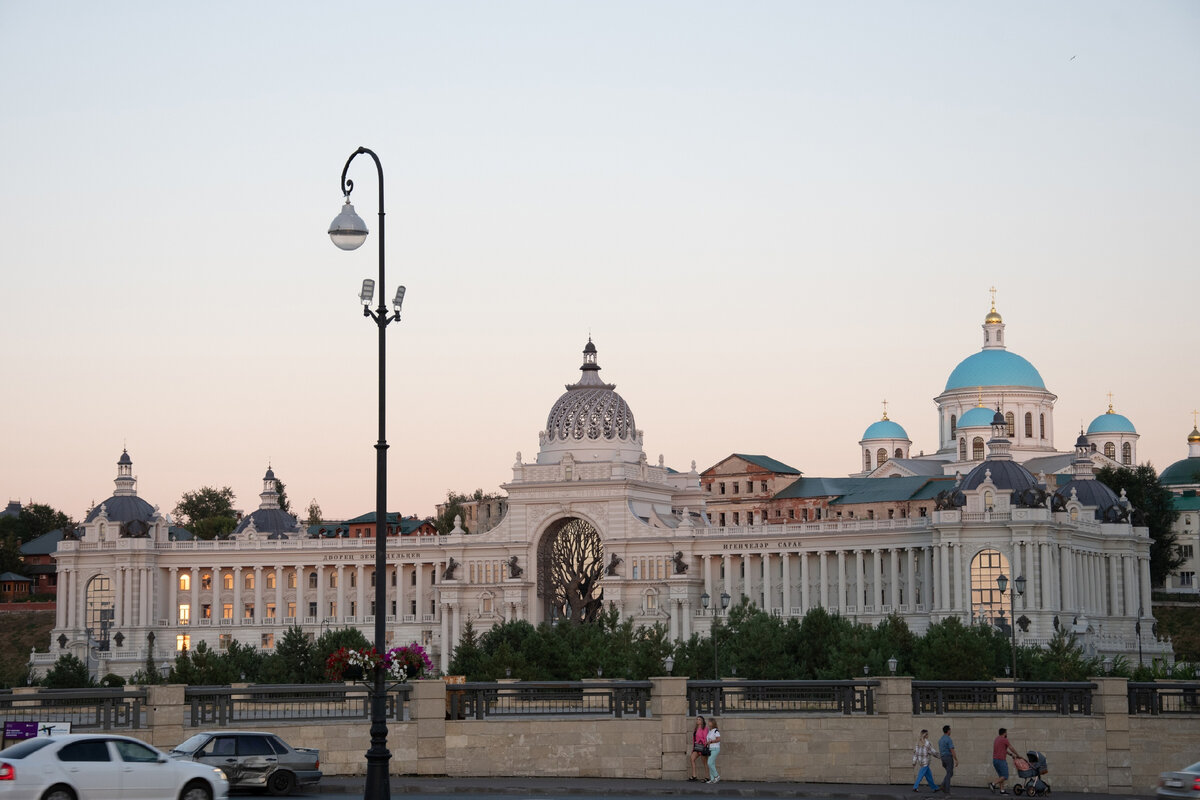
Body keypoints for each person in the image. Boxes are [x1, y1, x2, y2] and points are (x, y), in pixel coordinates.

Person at [989, 728, 1020, 794]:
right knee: (1005, 776)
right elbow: (1011, 747)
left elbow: (1004, 750)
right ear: (1004, 733)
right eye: (1006, 732)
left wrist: (1011, 754)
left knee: (1001, 776)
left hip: (995, 760)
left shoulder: (996, 739)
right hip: (1001, 761)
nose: (1007, 734)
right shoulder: (1004, 740)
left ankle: (1002, 790)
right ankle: (993, 784)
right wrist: (1017, 754)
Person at [938, 724, 958, 795]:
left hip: (943, 758)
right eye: (950, 730)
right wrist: (956, 759)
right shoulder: (948, 739)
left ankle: (943, 785)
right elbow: (952, 750)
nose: (951, 731)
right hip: (948, 758)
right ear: (948, 731)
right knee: (949, 773)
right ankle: (947, 791)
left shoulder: (940, 740)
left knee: (949, 773)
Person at [688, 715, 708, 781]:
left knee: (704, 762)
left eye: (699, 719)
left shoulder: (705, 728)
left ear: (702, 721)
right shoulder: (696, 728)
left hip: (702, 747)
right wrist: (693, 748)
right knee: (692, 758)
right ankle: (694, 776)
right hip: (696, 747)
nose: (697, 720)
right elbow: (694, 739)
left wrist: (703, 744)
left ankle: (707, 777)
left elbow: (705, 738)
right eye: (697, 719)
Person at [705, 719, 722, 784]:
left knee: (709, 763)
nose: (708, 723)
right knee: (712, 764)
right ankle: (712, 779)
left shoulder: (716, 731)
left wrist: (711, 742)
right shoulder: (710, 731)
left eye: (710, 722)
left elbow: (718, 739)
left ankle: (716, 776)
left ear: (713, 723)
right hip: (710, 749)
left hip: (715, 748)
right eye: (708, 722)